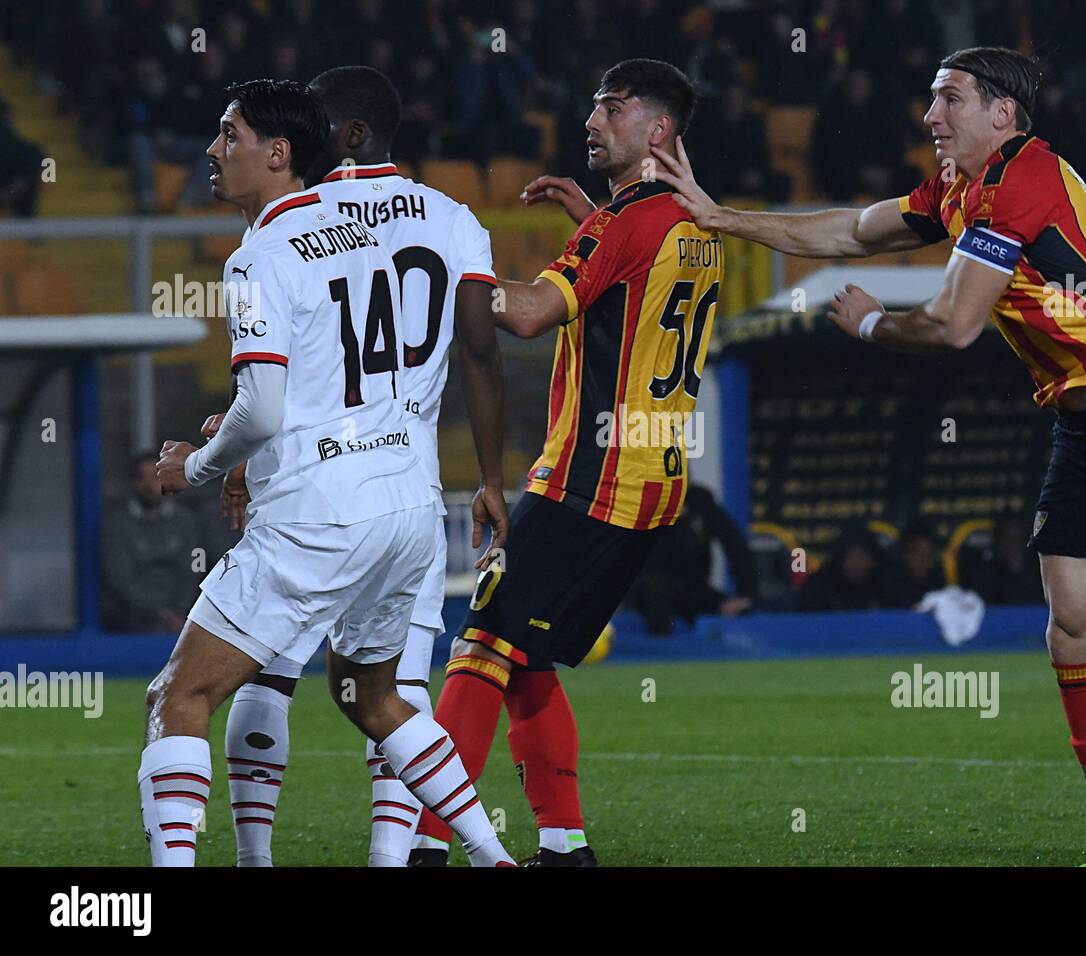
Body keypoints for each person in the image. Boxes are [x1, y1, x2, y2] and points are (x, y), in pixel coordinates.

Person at [652, 45, 1086, 867]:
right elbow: (852, 231)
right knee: (1072, 633)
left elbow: (954, 324)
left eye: (949, 99)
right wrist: (721, 217)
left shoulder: (1022, 179)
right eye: (931, 100)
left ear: (1004, 114)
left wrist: (867, 326)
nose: (931, 116)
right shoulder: (956, 191)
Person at [139, 79, 512, 868]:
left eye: (227, 135)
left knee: (182, 694)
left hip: (319, 512)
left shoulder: (261, 255)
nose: (212, 151)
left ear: (278, 155)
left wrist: (199, 466)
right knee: (374, 699)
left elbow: (267, 407)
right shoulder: (383, 229)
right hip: (409, 510)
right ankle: (492, 857)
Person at [422, 58, 720, 866]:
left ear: (658, 130)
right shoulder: (693, 221)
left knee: (480, 643)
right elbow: (636, 285)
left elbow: (528, 314)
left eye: (612, 109)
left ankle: (424, 846)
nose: (591, 121)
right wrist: (594, 217)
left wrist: (432, 278)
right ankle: (564, 844)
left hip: (592, 474)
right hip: (655, 483)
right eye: (591, 106)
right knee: (528, 652)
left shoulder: (622, 226)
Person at [627, 485, 755, 634]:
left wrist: (746, 593)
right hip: (647, 590)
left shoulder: (699, 503)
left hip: (692, 589)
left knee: (736, 611)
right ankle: (661, 650)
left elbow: (734, 544)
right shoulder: (640, 501)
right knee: (655, 592)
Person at [101, 452, 201, 633]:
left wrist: (180, 611)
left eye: (155, 477)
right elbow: (120, 579)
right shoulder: (117, 524)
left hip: (181, 618)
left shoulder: (185, 521)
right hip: (131, 621)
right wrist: (162, 613)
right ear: (133, 483)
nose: (149, 486)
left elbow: (192, 571)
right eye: (142, 478)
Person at [796, 522, 884, 612]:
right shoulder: (819, 586)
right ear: (839, 559)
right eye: (849, 556)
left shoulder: (888, 584)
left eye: (860, 556)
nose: (855, 563)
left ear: (873, 560)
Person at [876, 521, 947, 608]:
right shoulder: (885, 586)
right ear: (904, 554)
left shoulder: (940, 584)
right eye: (917, 554)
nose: (923, 560)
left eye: (929, 555)